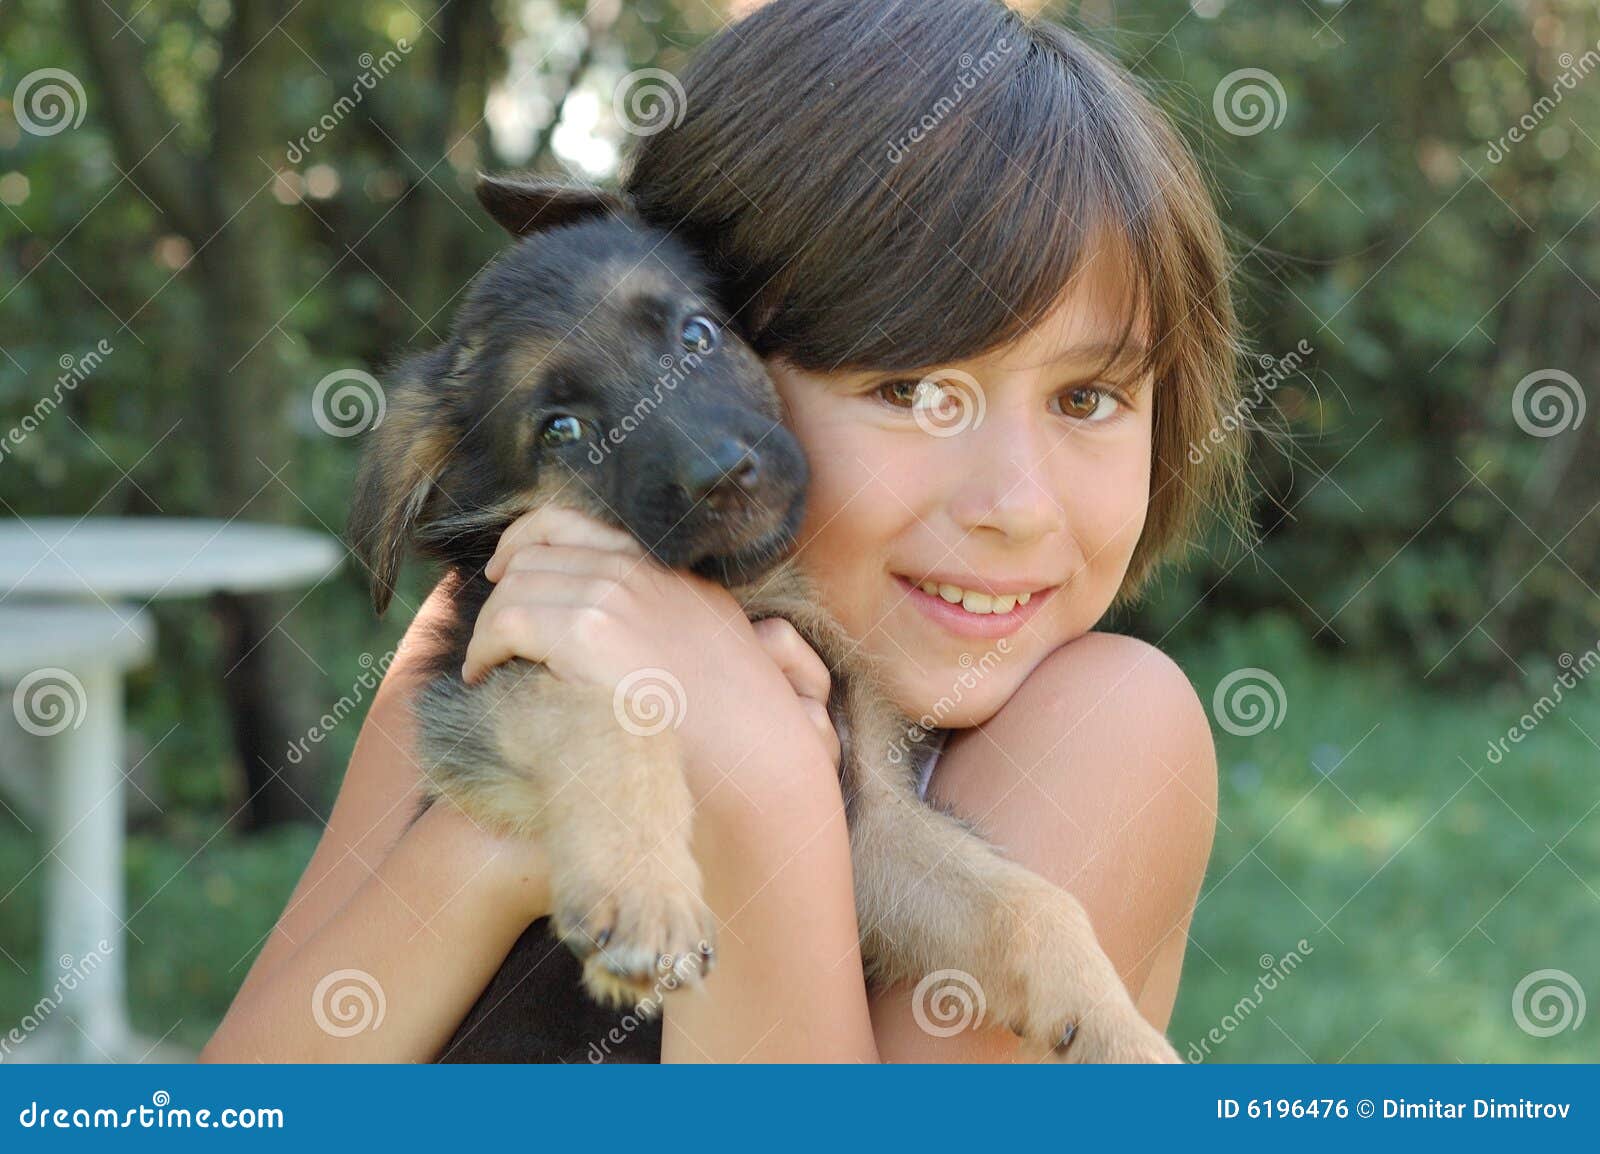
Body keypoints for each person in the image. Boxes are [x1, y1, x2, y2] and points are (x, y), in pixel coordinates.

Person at [201, 0, 1246, 1063]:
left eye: (1086, 397)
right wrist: (520, 843)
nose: (1012, 503)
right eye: (906, 386)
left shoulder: (1108, 729)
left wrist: (759, 780)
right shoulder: (539, 615)